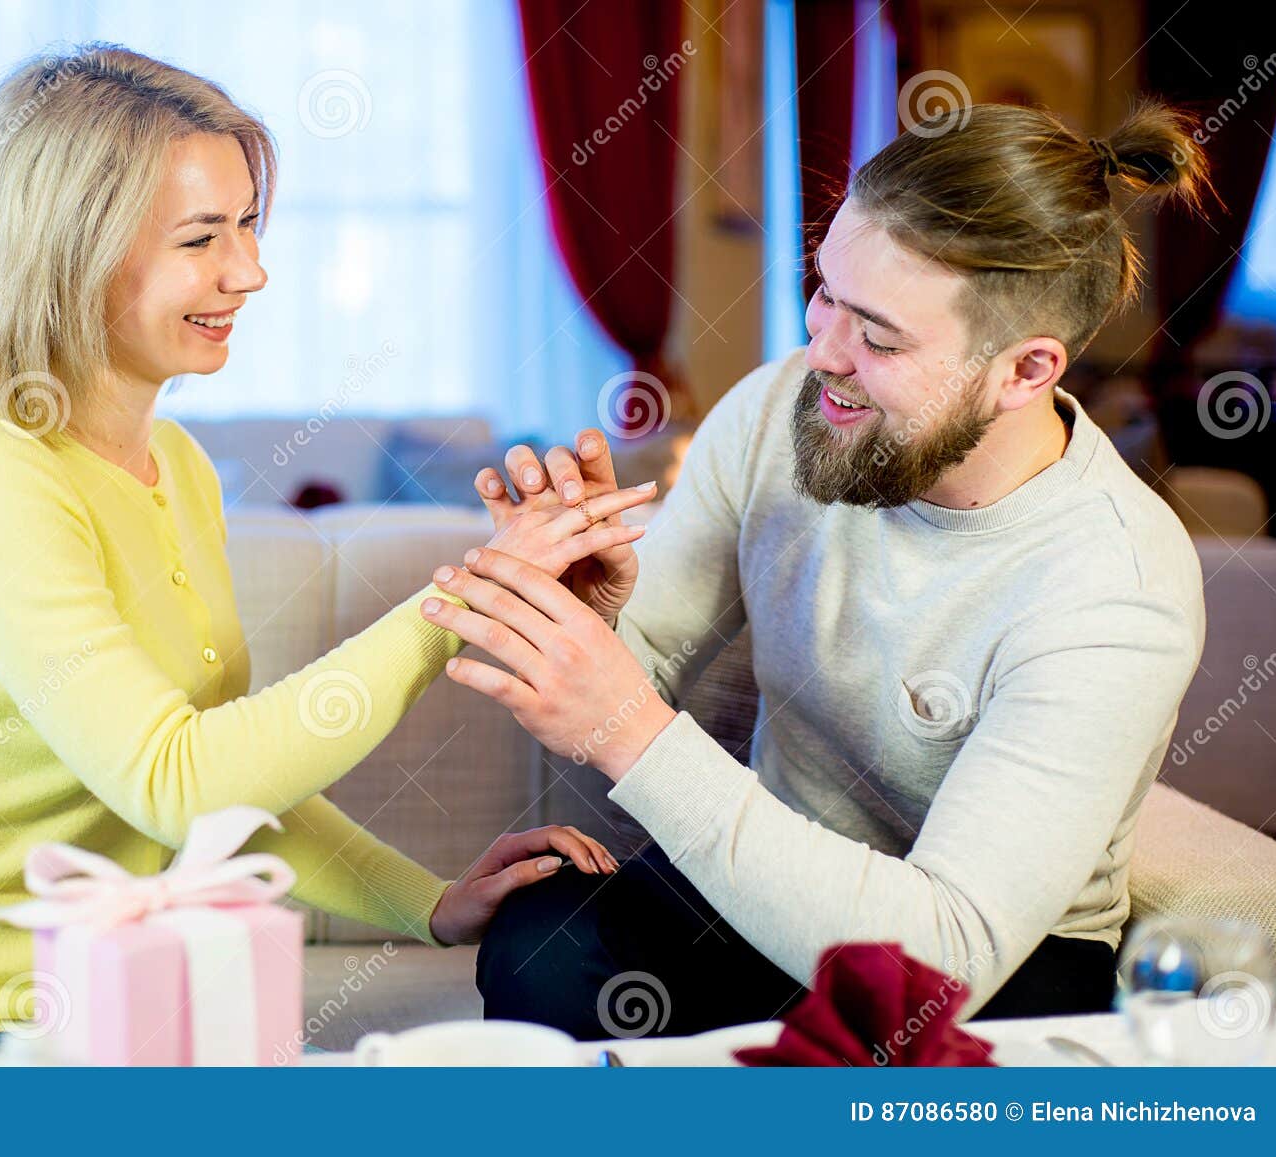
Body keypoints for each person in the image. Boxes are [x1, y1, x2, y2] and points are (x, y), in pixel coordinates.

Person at [0, 44, 650, 1064]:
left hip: (120, 1008)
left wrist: (428, 902)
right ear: (68, 251)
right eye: (201, 237)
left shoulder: (176, 462)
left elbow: (227, 782)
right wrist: (471, 596)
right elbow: (179, 783)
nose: (248, 272)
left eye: (249, 224)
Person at [431, 100, 1214, 1039]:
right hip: (771, 881)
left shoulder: (1115, 584)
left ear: (1025, 370)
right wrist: (583, 621)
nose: (825, 352)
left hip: (982, 967)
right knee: (542, 941)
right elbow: (614, 705)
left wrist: (631, 729)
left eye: (879, 337)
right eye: (825, 290)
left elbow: (943, 953)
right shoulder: (779, 409)